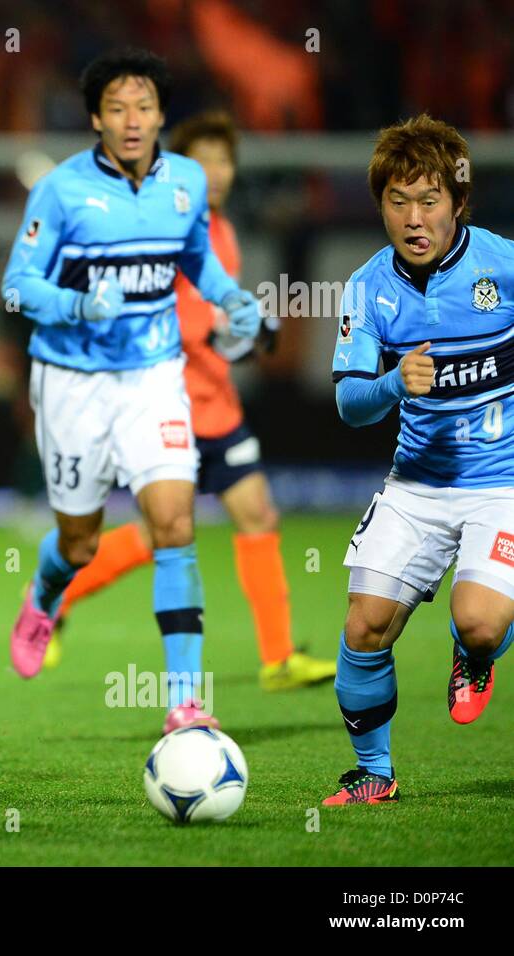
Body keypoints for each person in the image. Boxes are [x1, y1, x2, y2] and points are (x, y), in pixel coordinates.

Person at [3, 48, 263, 734]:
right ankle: (45, 592)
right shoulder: (60, 190)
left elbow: (198, 259)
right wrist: (77, 307)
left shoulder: (185, 181)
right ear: (95, 117)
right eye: (116, 108)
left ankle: (184, 701)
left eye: (143, 107)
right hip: (71, 380)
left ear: (160, 115)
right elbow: (17, 284)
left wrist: (232, 298)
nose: (131, 119)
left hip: (154, 376)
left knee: (175, 524)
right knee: (80, 542)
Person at [30, 111, 337, 692]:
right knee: (160, 536)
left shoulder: (221, 231)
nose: (216, 173)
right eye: (205, 162)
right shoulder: (159, 229)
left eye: (225, 162)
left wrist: (250, 331)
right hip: (167, 405)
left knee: (257, 514)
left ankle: (277, 658)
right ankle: (55, 596)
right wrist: (242, 334)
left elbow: (218, 319)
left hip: (216, 403)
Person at [323, 114, 512, 805]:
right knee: (363, 628)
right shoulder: (367, 288)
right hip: (416, 486)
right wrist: (393, 383)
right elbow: (349, 405)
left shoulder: (502, 265)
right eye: (397, 201)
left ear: (459, 203)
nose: (413, 217)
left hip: (503, 484)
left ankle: (476, 654)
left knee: (481, 621)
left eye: (429, 199)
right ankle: (375, 773)